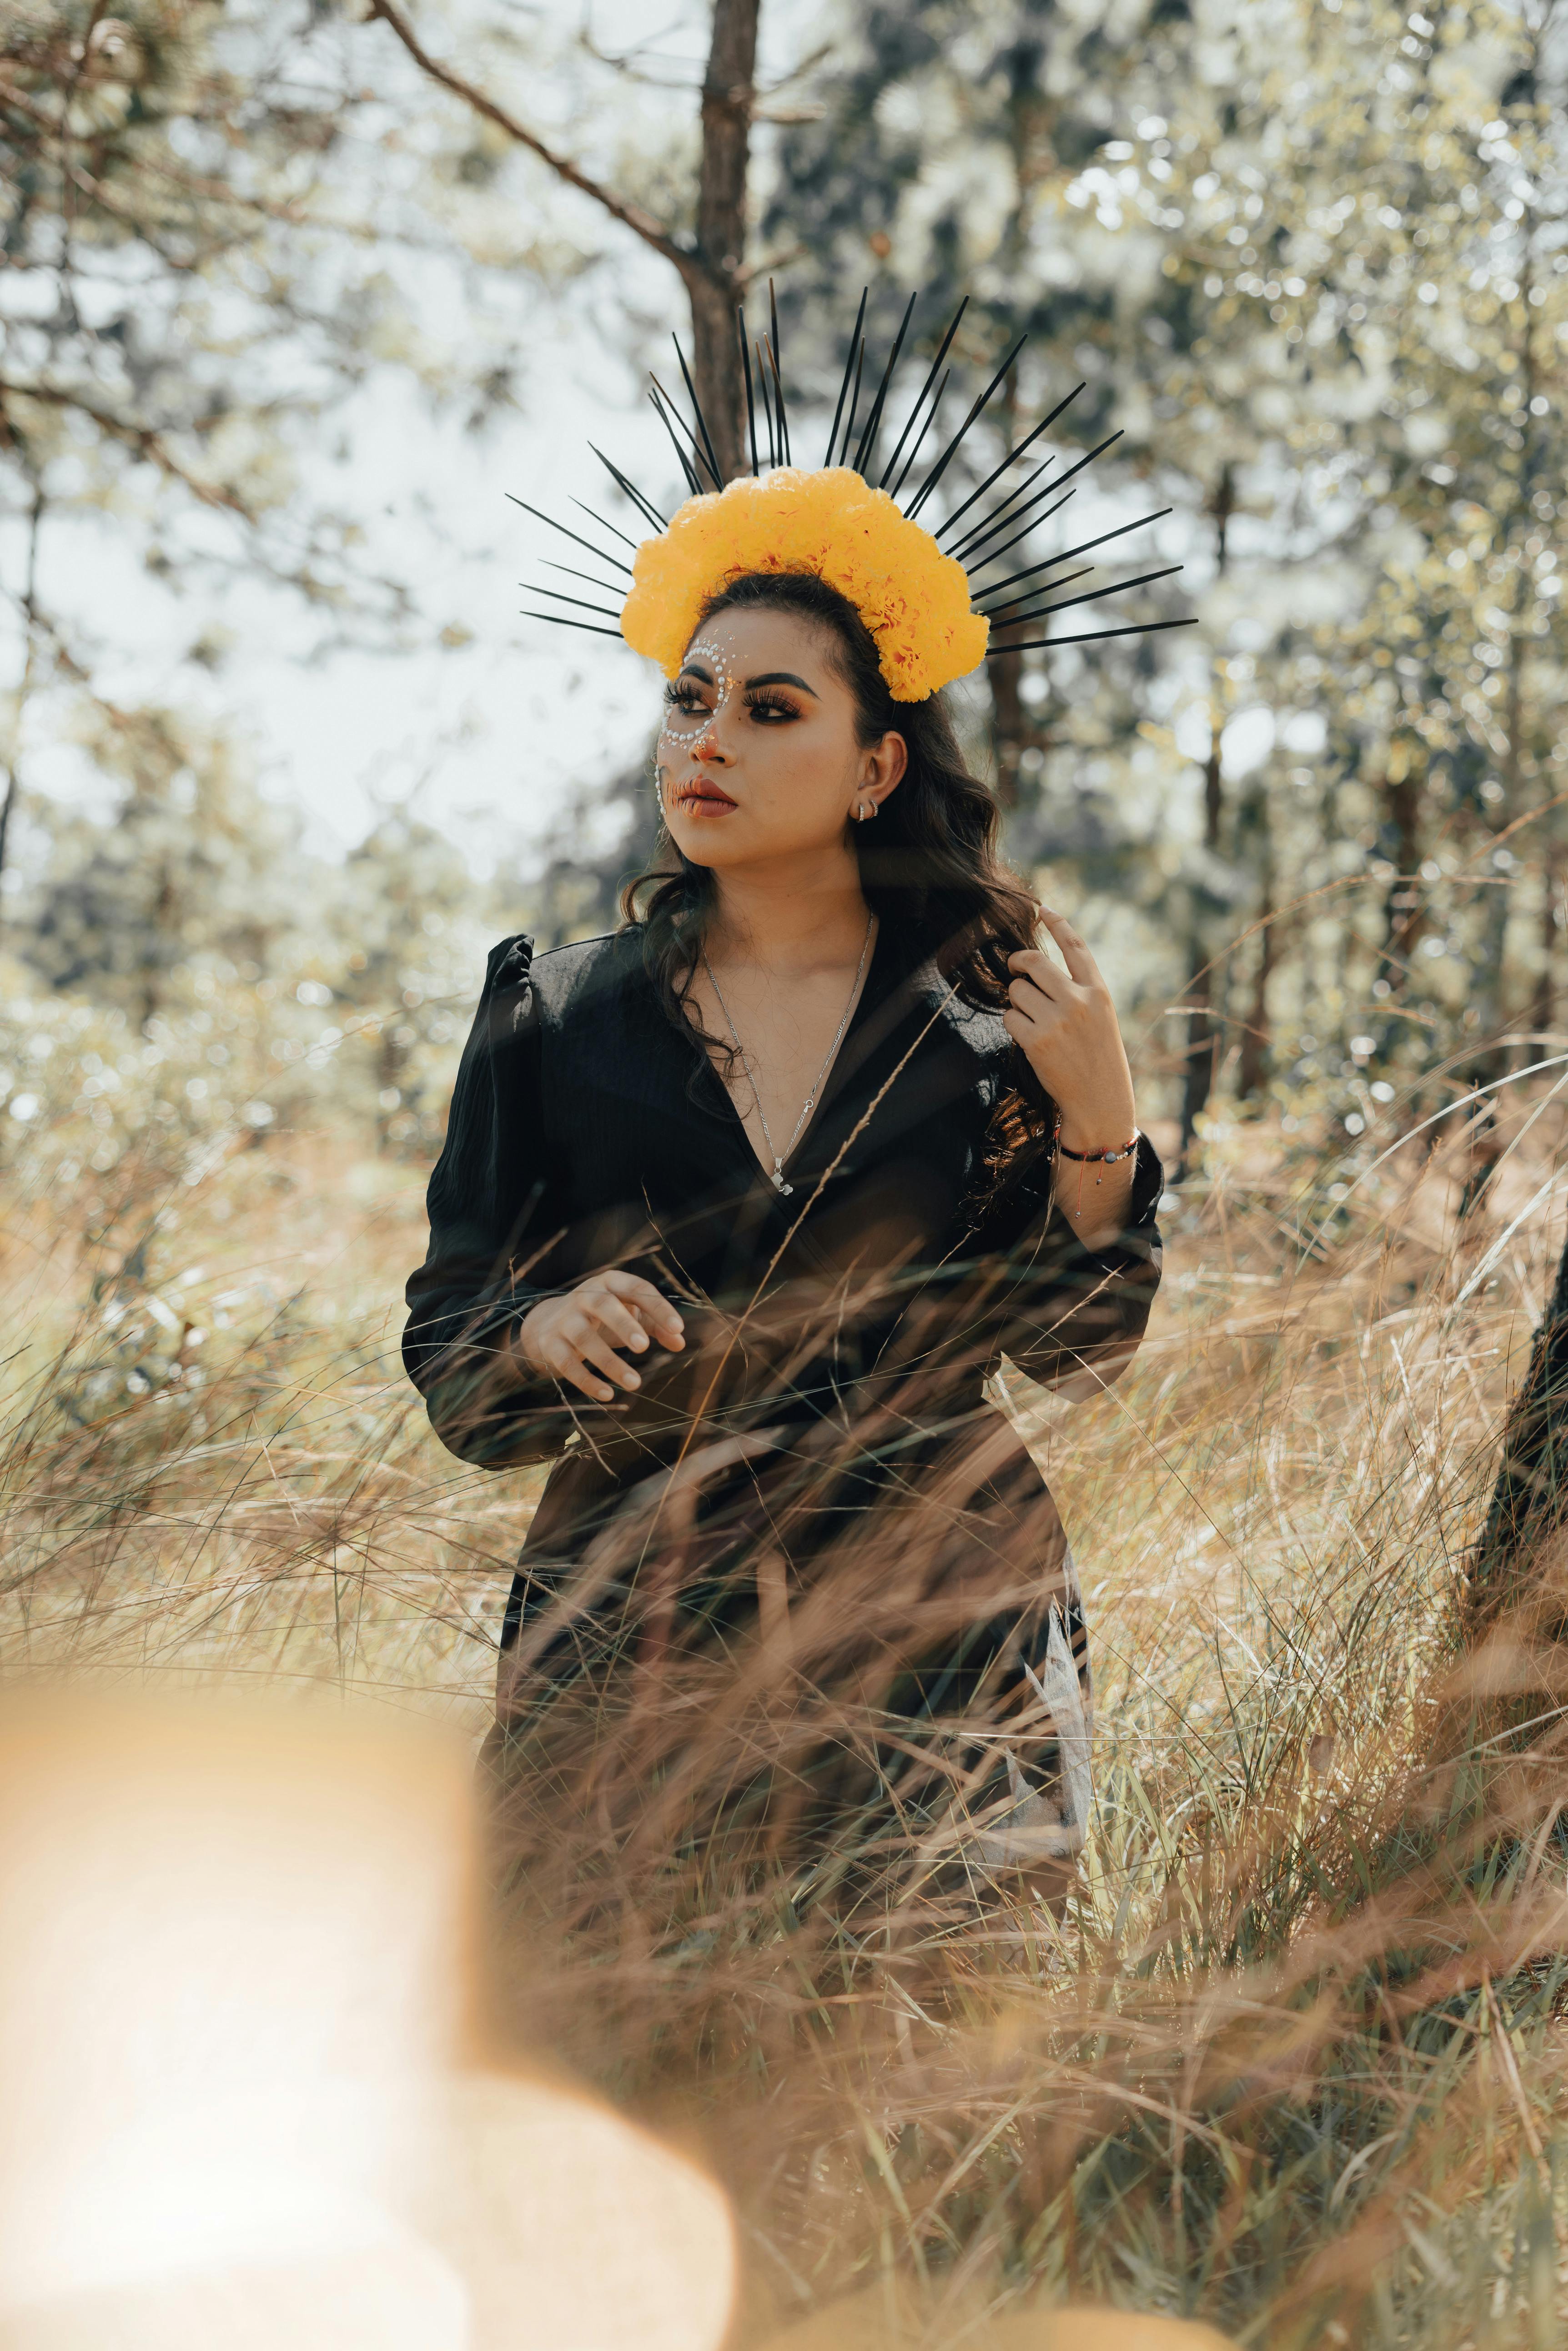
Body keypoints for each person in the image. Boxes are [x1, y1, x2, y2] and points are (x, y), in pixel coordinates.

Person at [404, 346, 1169, 1923]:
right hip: (631, 1634)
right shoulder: (553, 1013)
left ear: (877, 764)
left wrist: (1101, 1125)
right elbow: (451, 1348)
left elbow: (1076, 1348)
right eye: (690, 700)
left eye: (770, 709)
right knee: (611, 2029)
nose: (710, 740)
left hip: (940, 1631)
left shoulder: (989, 1023)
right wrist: (539, 1328)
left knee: (927, 2029)